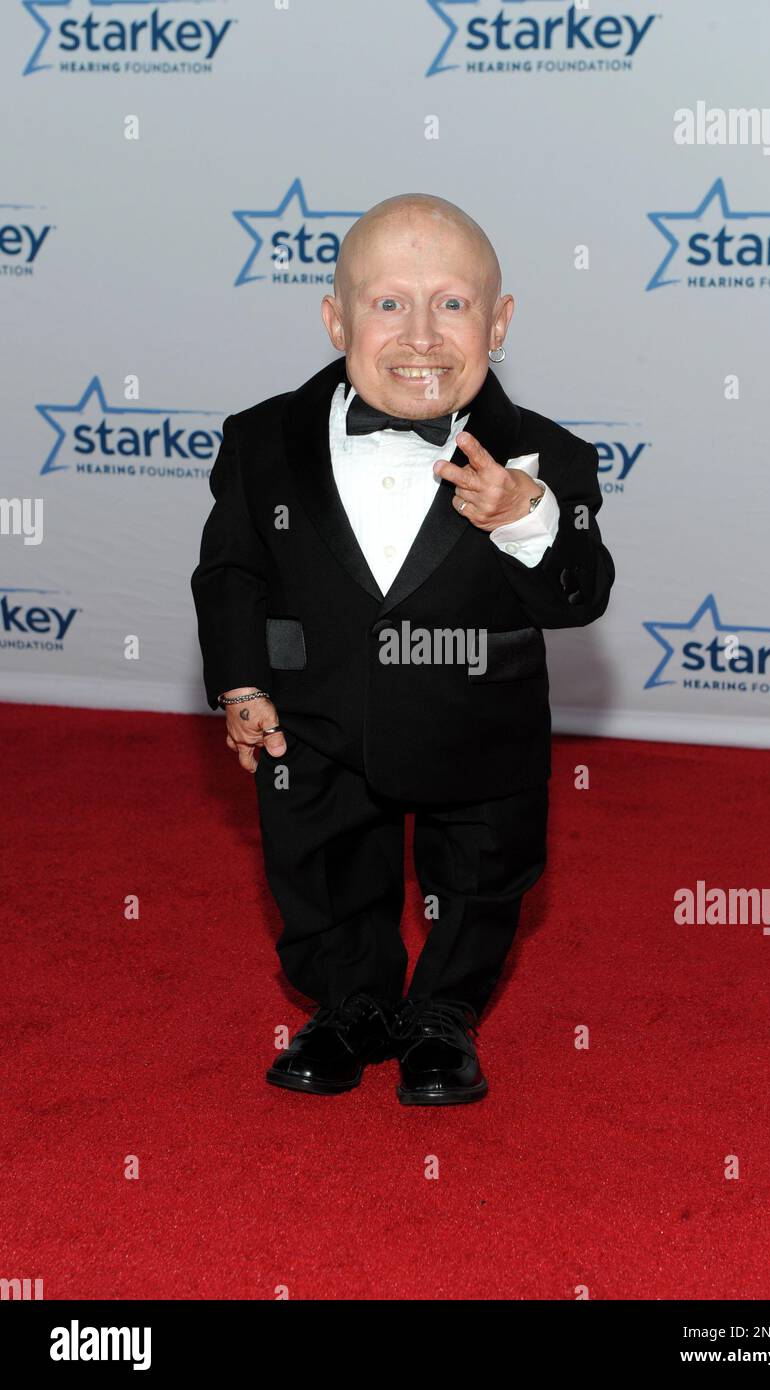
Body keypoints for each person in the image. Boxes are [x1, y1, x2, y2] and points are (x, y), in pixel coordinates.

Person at [191, 192, 614, 1105]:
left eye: (452, 304)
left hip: (478, 723)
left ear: (498, 323)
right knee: (320, 865)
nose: (421, 334)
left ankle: (442, 1017)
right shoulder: (262, 439)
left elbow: (581, 596)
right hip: (312, 718)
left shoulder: (547, 459)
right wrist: (240, 685)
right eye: (388, 303)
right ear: (334, 318)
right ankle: (352, 1004)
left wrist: (527, 521)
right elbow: (231, 573)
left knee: (481, 879)